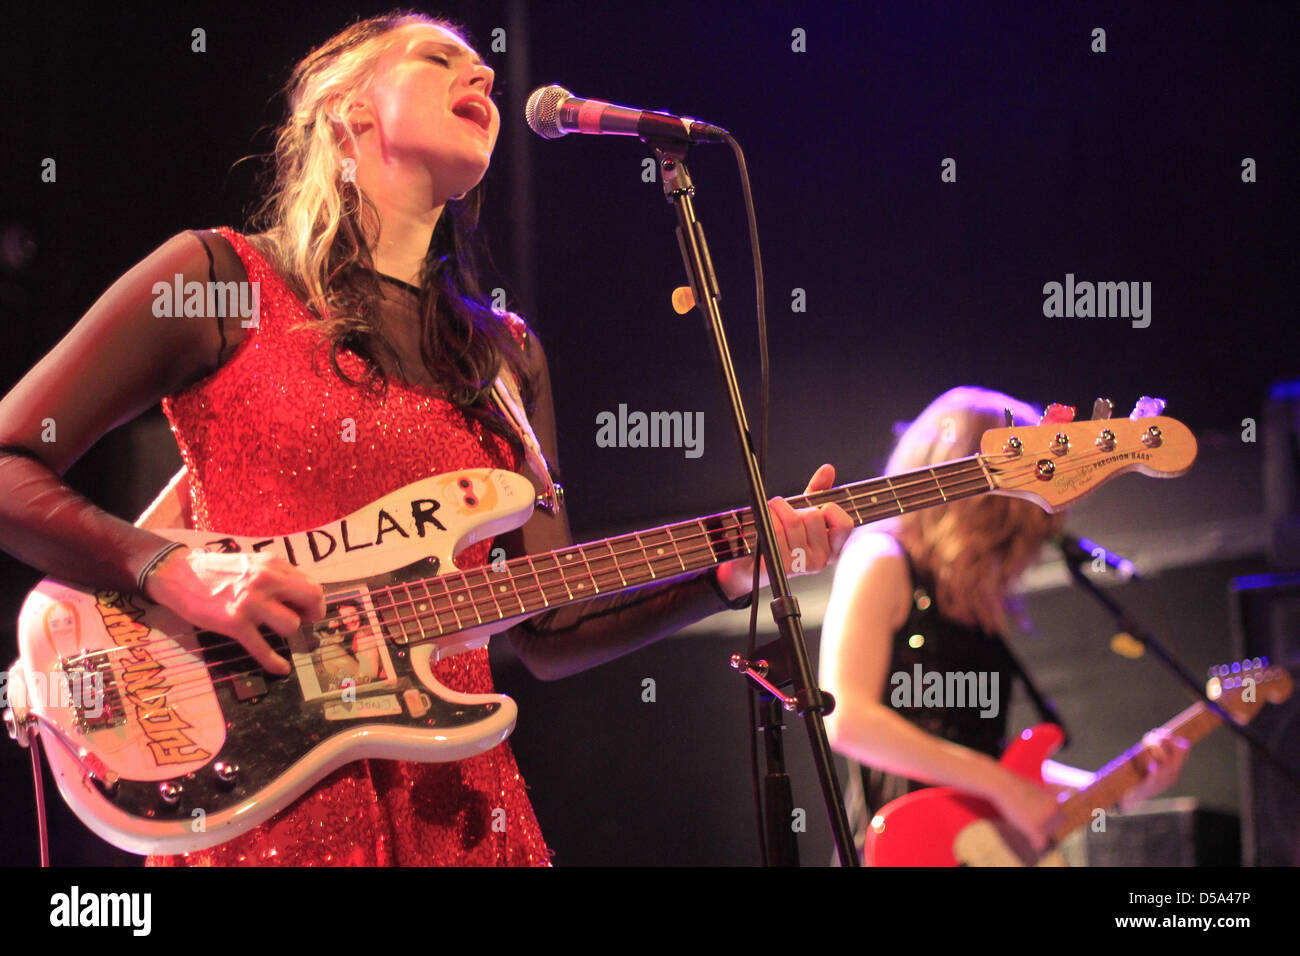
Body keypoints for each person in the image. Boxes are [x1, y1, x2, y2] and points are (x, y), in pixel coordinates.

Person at [0, 12, 852, 866]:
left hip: (461, 813)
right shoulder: (219, 280)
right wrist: (173, 570)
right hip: (268, 809)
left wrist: (727, 570)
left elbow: (546, 628)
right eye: (439, 59)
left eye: (484, 69)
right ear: (348, 114)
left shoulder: (505, 354)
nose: (482, 79)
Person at [818, 386, 1188, 862]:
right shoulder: (881, 555)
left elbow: (990, 763)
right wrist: (1004, 786)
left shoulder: (975, 596)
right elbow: (846, 719)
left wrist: (1121, 786)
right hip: (901, 844)